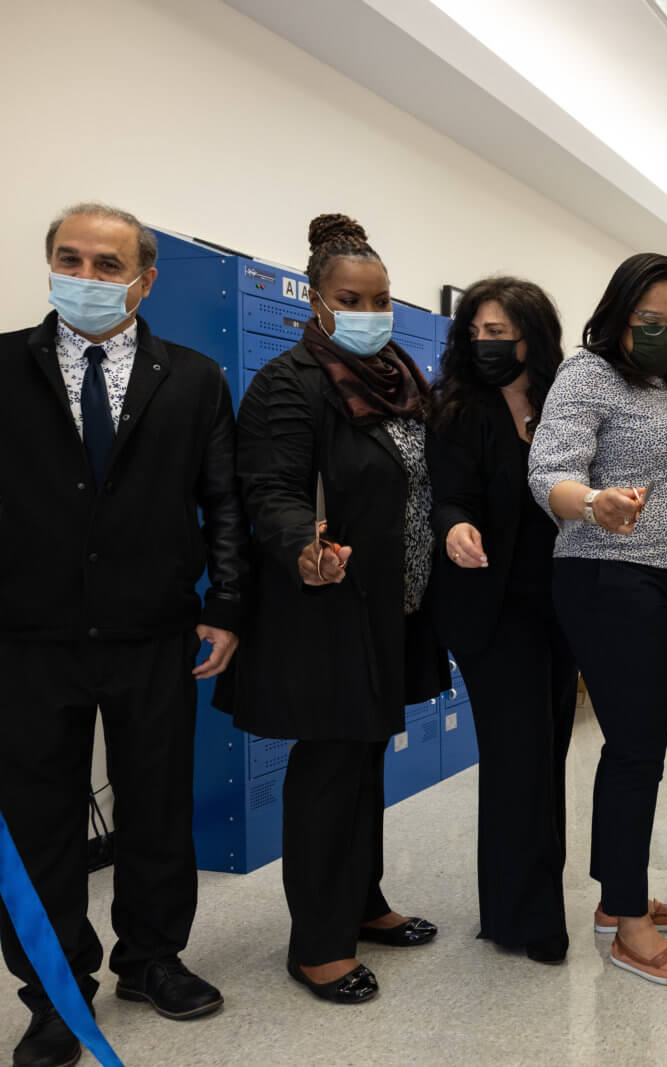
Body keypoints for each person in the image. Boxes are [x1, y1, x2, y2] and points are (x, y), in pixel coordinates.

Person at [0, 203, 244, 1065]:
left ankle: (153, 959)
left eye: (108, 265)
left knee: (156, 808)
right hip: (28, 638)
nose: (88, 278)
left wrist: (226, 606)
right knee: (40, 820)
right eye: (71, 260)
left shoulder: (195, 377)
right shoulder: (2, 366)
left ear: (145, 279)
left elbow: (225, 502)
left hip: (154, 631)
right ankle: (54, 992)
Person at [222, 214, 446, 1005]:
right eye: (350, 298)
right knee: (326, 769)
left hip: (395, 604)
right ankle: (316, 943)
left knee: (364, 758)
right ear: (317, 300)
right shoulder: (290, 382)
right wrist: (302, 547)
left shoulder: (401, 377)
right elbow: (272, 489)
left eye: (380, 297)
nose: (367, 310)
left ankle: (362, 901)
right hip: (327, 605)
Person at [528, 252, 667, 987]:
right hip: (607, 573)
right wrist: (593, 501)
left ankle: (618, 894)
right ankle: (627, 923)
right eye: (652, 321)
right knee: (638, 746)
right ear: (619, 316)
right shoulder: (586, 374)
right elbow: (548, 467)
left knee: (642, 743)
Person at [426, 277, 579, 964]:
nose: (487, 344)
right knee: (519, 758)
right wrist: (456, 527)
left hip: (562, 605)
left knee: (549, 754)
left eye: (501, 333)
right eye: (477, 332)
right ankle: (529, 918)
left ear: (534, 338)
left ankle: (522, 898)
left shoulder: (563, 405)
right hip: (493, 609)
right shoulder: (460, 408)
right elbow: (448, 494)